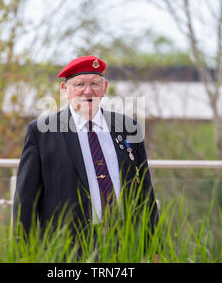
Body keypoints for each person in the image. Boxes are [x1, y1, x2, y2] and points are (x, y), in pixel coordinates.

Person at [13, 55, 158, 238]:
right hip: (67, 247)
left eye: (95, 84)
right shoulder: (41, 132)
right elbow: (25, 199)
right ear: (65, 90)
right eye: (79, 84)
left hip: (123, 243)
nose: (87, 91)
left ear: (104, 88)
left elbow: (145, 191)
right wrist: (23, 254)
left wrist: (153, 245)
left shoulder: (128, 127)